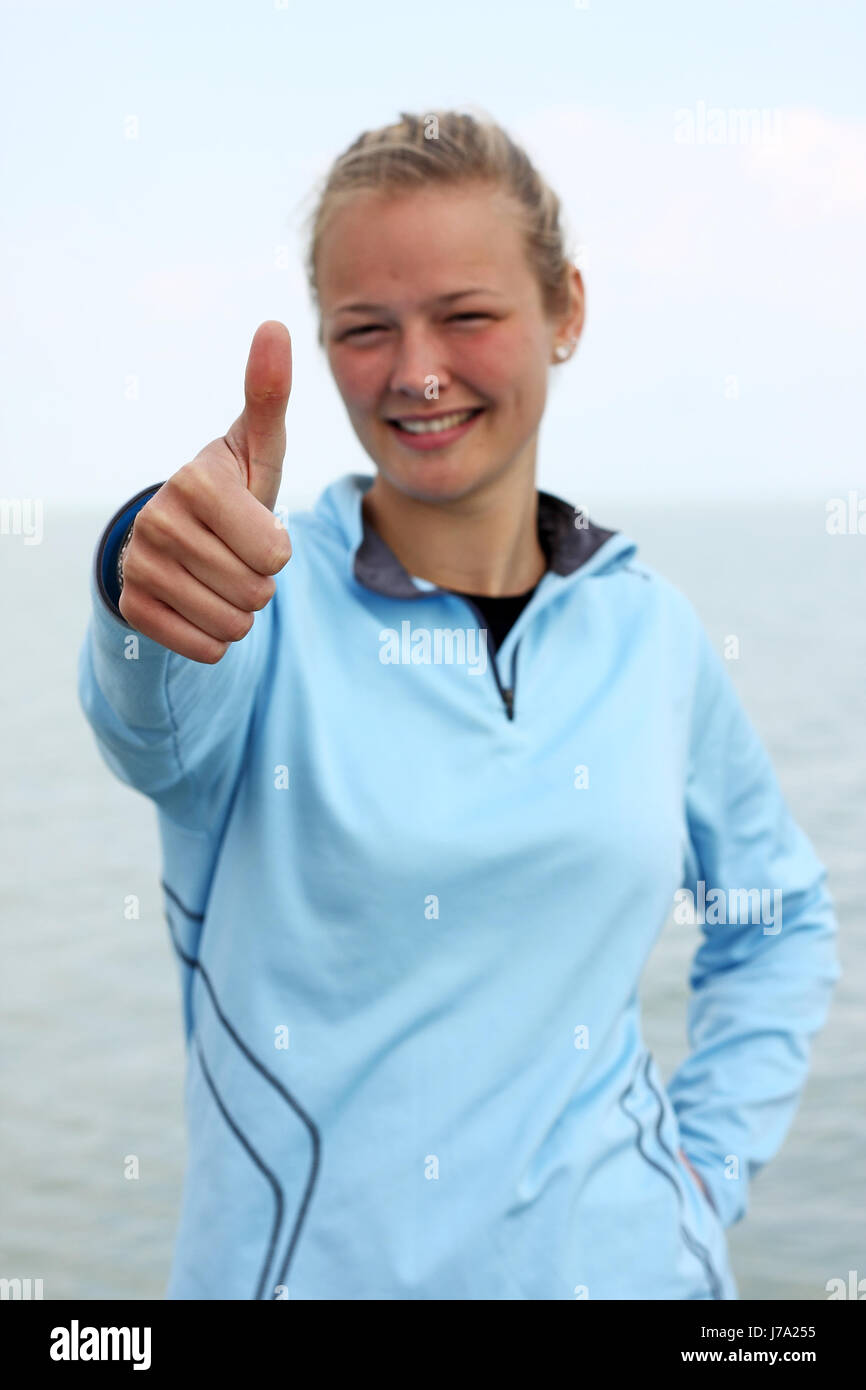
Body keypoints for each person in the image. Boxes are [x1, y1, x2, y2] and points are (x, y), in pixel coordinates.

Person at [78, 109, 840, 1300]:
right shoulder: (258, 609)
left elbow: (778, 917)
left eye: (467, 315)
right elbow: (149, 713)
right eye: (364, 329)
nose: (416, 370)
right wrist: (144, 570)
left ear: (564, 311)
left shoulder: (651, 633)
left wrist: (700, 1179)